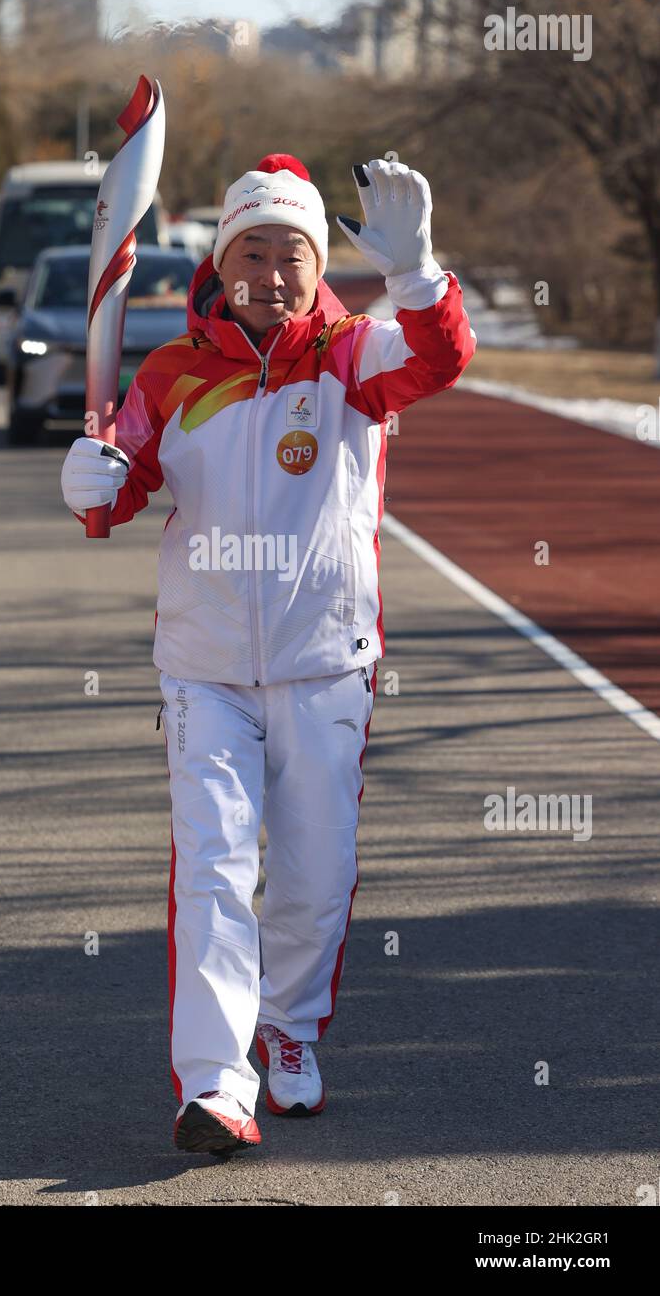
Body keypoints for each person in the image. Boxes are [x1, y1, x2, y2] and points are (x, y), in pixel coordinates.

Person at [60, 154, 477, 1155]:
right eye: (254, 249)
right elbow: (117, 491)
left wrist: (417, 274)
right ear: (222, 260)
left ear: (315, 264)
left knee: (313, 876)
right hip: (203, 667)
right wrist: (89, 481)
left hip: (326, 663)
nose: (274, 270)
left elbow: (439, 360)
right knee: (212, 867)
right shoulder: (170, 374)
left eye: (294, 251)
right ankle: (214, 1083)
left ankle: (286, 1029)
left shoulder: (349, 356)